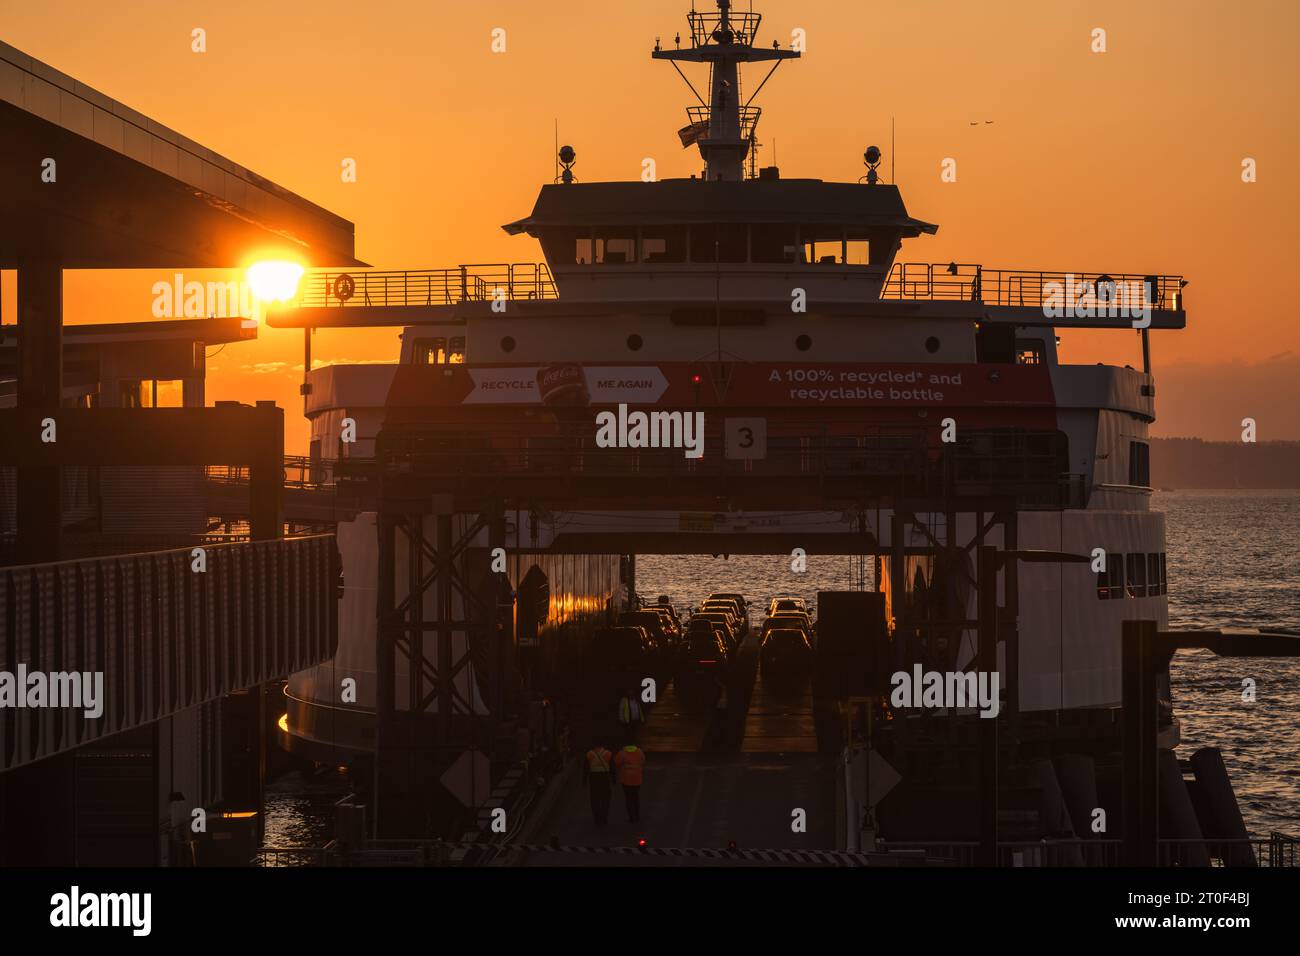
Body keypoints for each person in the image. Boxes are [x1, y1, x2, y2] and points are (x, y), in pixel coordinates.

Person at [613, 741, 646, 823]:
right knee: (635, 797)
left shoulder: (622, 753)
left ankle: (632, 817)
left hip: (626, 779)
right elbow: (643, 761)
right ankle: (637, 816)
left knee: (628, 798)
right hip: (637, 778)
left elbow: (616, 762)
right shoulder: (639, 752)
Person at [583, 740, 614, 825]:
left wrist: (584, 780)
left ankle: (597, 818)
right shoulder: (608, 753)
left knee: (594, 799)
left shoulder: (589, 754)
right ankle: (604, 818)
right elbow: (612, 767)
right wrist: (614, 779)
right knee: (605, 799)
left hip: (594, 778)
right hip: (605, 777)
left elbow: (585, 768)